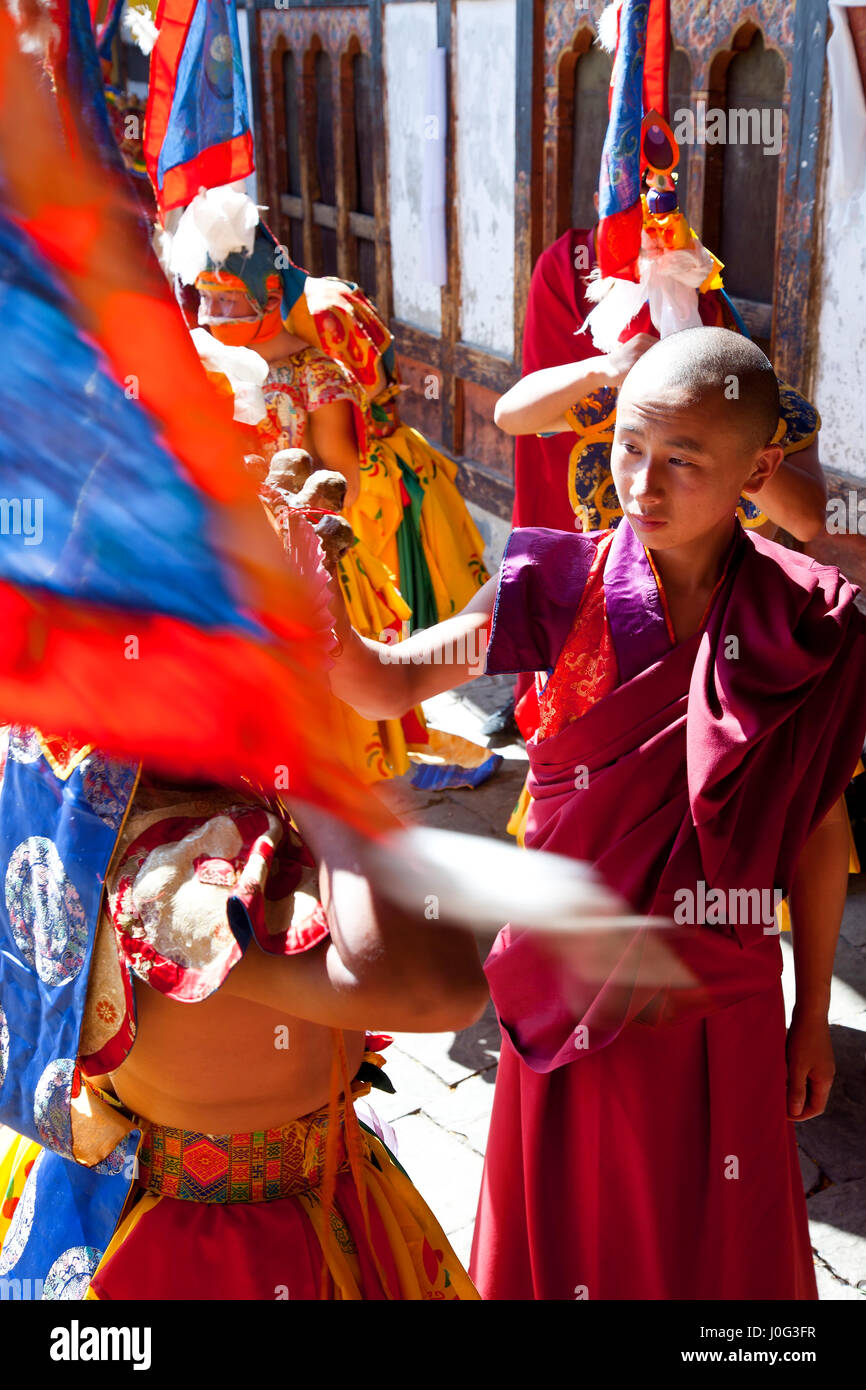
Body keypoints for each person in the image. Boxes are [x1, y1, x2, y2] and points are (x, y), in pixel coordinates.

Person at [325, 327, 866, 1298]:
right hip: (567, 985)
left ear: (757, 470)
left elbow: (819, 827)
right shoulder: (557, 585)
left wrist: (812, 1013)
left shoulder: (805, 620)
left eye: (681, 460)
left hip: (721, 996)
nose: (641, 486)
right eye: (627, 445)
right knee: (577, 1228)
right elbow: (383, 682)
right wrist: (303, 596)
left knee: (713, 1247)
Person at [0, 734, 487, 1300]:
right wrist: (320, 777)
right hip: (225, 1250)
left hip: (157, 1200)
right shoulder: (185, 875)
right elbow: (443, 993)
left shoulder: (71, 791)